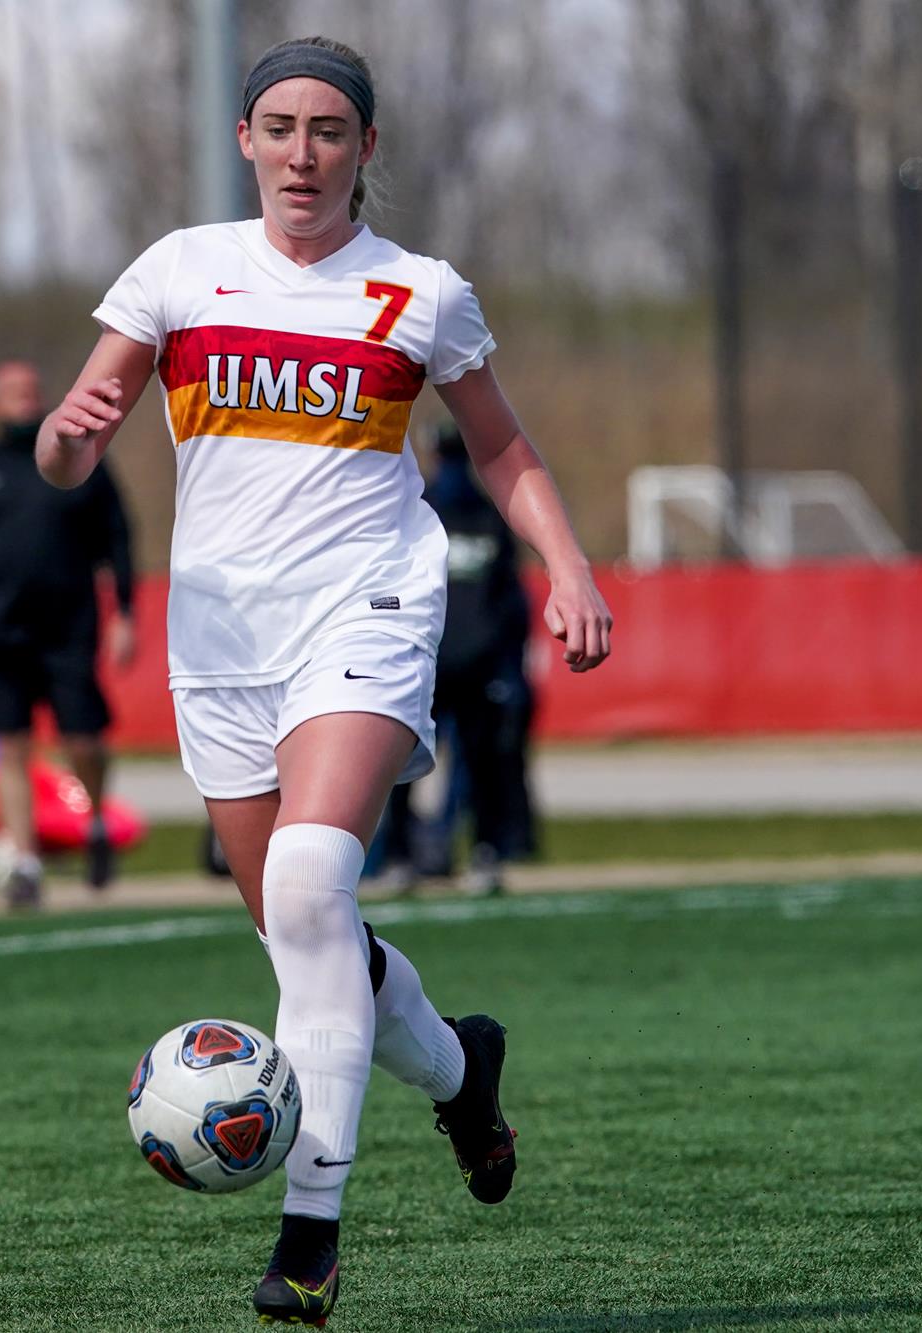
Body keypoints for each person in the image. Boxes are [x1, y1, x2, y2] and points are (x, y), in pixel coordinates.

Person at [37, 36, 612, 1325]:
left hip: (368, 608)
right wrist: (66, 445)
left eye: (329, 130)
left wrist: (566, 565)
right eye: (281, 128)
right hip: (218, 641)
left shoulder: (419, 292)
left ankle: (309, 1237)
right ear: (245, 138)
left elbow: (501, 447)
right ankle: (459, 1071)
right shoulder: (178, 270)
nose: (303, 154)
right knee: (302, 937)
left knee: (308, 888)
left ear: (364, 147)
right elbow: (74, 441)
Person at [0, 357, 137, 905]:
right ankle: (23, 858)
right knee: (11, 745)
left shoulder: (79, 461)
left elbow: (118, 537)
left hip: (69, 626)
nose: (25, 398)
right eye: (13, 391)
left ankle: (95, 821)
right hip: (0, 629)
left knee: (83, 739)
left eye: (31, 389)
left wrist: (126, 612)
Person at [427, 421, 539, 895]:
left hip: (426, 659)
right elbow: (512, 602)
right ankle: (483, 851)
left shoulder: (420, 510)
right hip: (479, 663)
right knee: (479, 765)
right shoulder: (489, 515)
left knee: (398, 765)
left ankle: (396, 857)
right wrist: (511, 666)